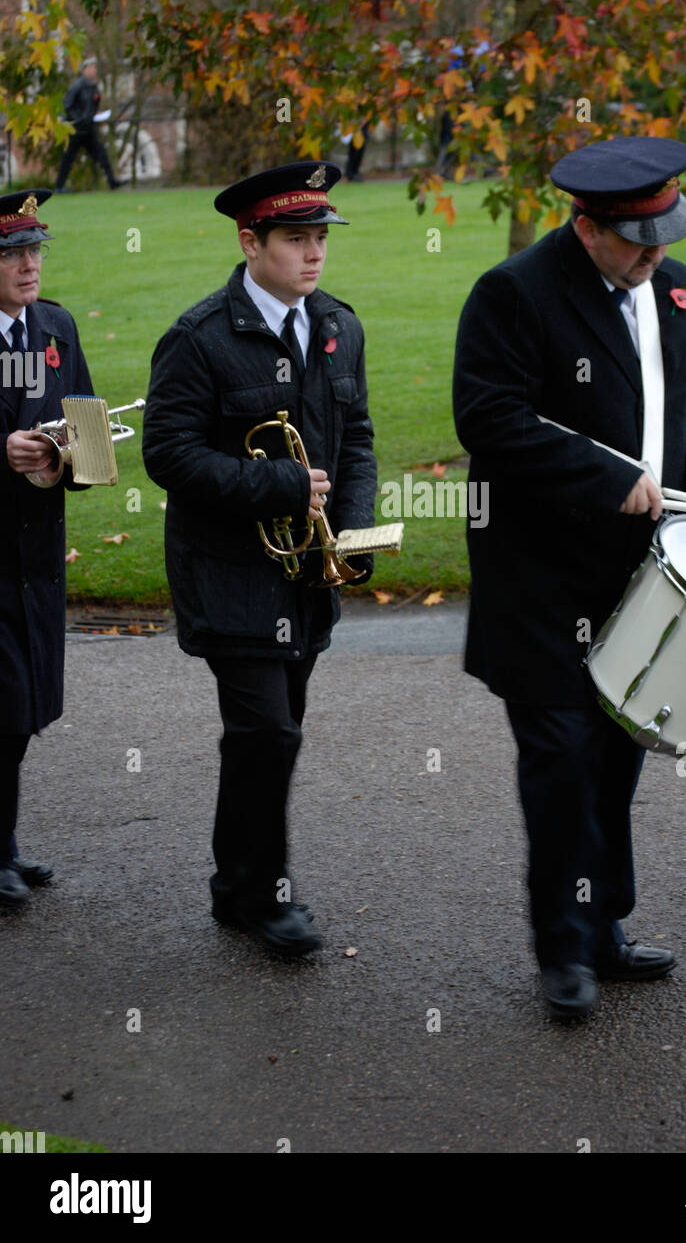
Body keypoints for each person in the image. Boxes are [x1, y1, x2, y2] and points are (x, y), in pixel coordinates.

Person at [452, 136, 686, 1020]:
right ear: (585, 226)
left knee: (618, 756)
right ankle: (563, 952)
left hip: (646, 578)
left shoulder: (682, 288)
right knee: (561, 762)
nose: (656, 253)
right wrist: (610, 477)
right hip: (542, 577)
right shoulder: (515, 293)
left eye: (666, 231)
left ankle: (603, 926)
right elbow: (490, 419)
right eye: (636, 238)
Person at [141, 162, 377, 957]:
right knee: (268, 732)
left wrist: (353, 528)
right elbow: (167, 455)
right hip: (229, 574)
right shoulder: (199, 337)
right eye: (295, 240)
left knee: (272, 736)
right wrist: (275, 482)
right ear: (251, 242)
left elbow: (359, 440)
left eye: (319, 240)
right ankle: (268, 896)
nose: (313, 256)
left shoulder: (341, 325)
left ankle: (234, 886)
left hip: (307, 577)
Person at [0, 190, 95, 908]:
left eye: (34, 249)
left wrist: (66, 457)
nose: (29, 264)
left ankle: (3, 846)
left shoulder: (56, 325)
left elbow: (88, 442)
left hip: (36, 555)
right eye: (11, 254)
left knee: (26, 707)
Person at [54, 59, 124, 194]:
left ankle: (112, 181)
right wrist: (78, 119)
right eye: (92, 67)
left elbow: (93, 105)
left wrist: (95, 115)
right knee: (68, 157)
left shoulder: (93, 87)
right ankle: (59, 186)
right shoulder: (77, 86)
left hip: (88, 129)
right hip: (76, 129)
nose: (94, 70)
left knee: (102, 154)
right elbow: (67, 105)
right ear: (85, 69)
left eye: (95, 67)